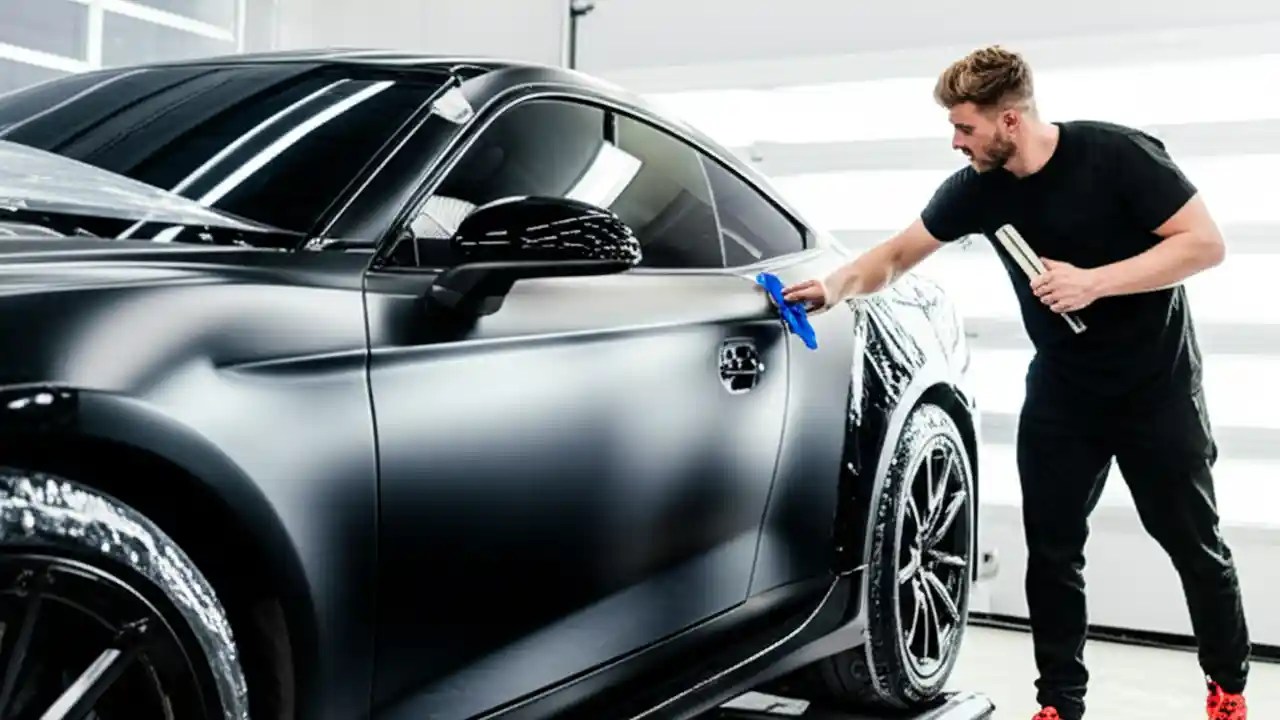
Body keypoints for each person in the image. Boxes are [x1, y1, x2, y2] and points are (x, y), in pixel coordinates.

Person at [783, 45, 1250, 720]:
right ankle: (1060, 702)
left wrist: (1094, 282)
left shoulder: (1118, 156)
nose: (955, 141)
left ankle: (1227, 685)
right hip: (1063, 394)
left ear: (1009, 122)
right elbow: (895, 255)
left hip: (1158, 389)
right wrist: (831, 288)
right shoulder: (979, 188)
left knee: (1194, 547)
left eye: (965, 127)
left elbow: (1205, 243)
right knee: (1053, 553)